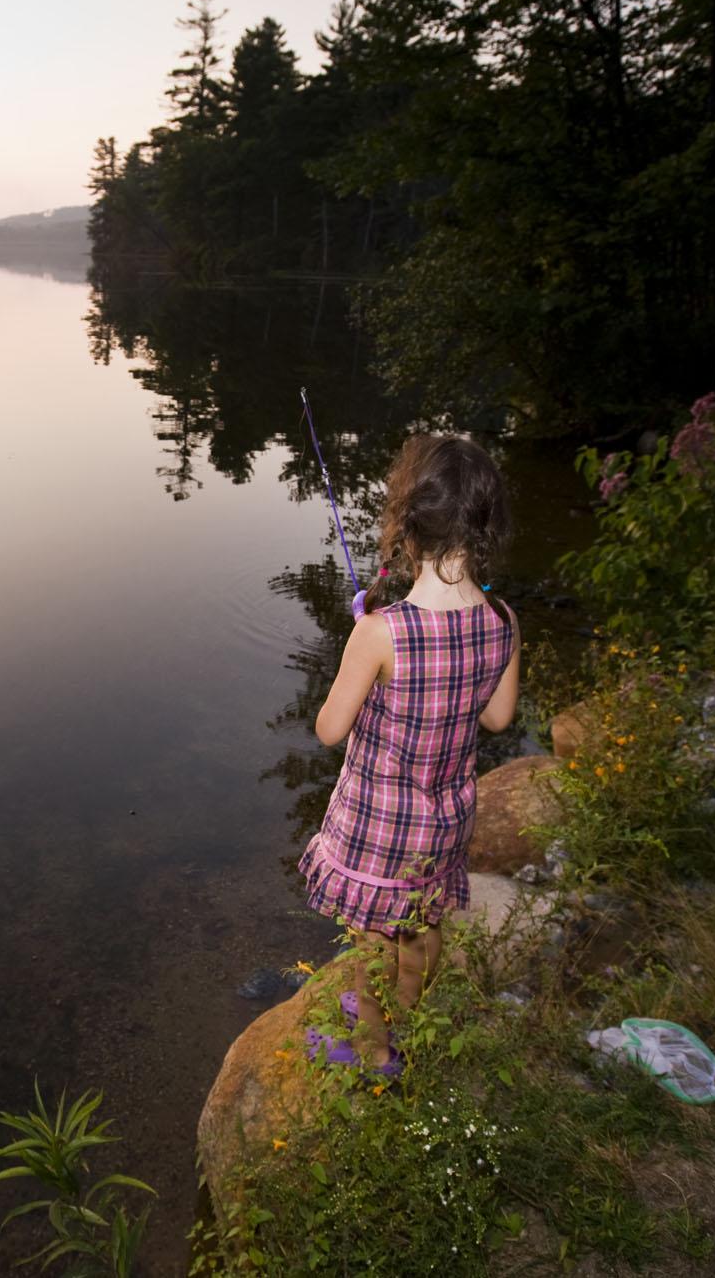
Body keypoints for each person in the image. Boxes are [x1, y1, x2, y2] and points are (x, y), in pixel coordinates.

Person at [298, 435, 521, 1072]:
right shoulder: (503, 618)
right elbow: (498, 717)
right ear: (485, 527)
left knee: (373, 938)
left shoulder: (380, 631)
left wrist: (360, 649)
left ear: (407, 524)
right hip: (445, 821)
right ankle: (407, 1016)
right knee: (423, 925)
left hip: (379, 825)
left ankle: (374, 1050)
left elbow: (329, 729)